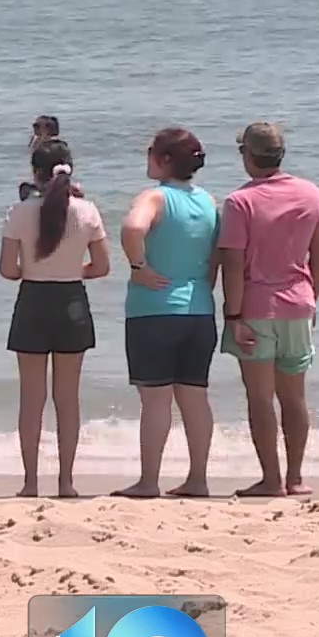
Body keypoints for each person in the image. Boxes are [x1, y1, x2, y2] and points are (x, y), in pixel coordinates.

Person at [217, 122, 319, 497]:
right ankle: (296, 477)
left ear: (248, 155)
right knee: (295, 397)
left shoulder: (240, 202)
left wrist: (232, 316)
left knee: (260, 398)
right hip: (299, 303)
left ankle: (271, 479)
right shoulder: (310, 194)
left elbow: (232, 263)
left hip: (255, 308)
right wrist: (312, 298)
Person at [0, 140, 109, 498]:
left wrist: (31, 269)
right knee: (68, 398)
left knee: (31, 398)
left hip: (32, 299)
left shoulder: (19, 211)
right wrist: (73, 270)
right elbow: (103, 266)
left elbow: (7, 270)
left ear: (35, 172)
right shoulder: (87, 211)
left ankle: (30, 482)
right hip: (71, 300)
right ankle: (66, 482)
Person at [115, 128, 219, 500]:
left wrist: (138, 266)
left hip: (154, 311)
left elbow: (131, 227)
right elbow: (217, 255)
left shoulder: (156, 196)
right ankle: (199, 478)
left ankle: (148, 481)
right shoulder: (208, 202)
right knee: (195, 397)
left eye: (151, 152)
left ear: (166, 160)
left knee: (155, 400)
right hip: (200, 312)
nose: (147, 158)